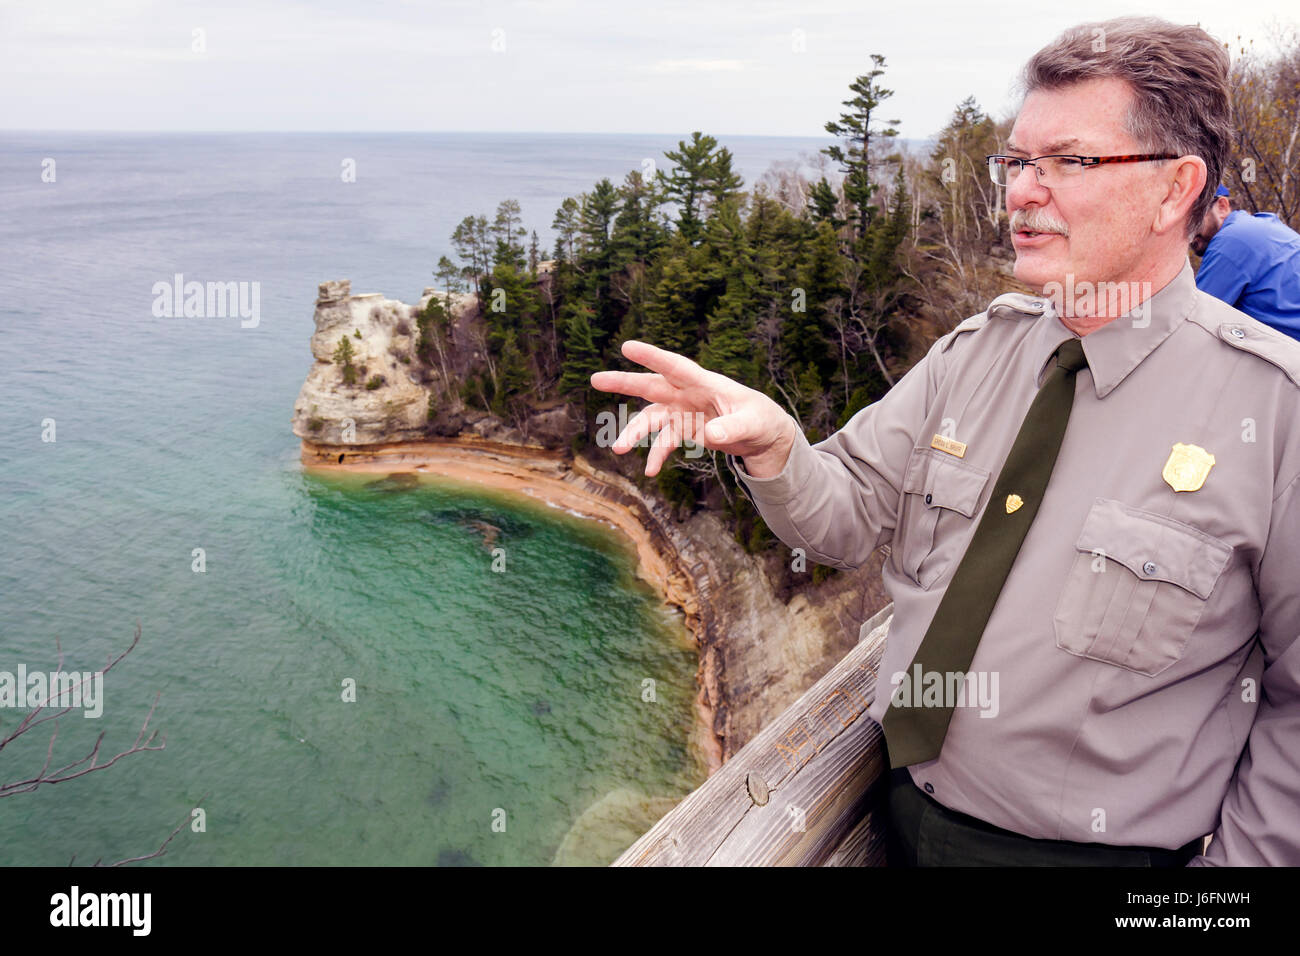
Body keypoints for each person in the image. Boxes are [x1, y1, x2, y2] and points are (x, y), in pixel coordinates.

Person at [590, 15, 1300, 867]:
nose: (1022, 192)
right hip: (896, 814)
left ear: (1174, 188)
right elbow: (843, 517)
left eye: (1068, 162)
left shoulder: (1274, 412)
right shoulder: (977, 353)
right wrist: (779, 449)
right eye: (1016, 161)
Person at [1192, 184, 1300, 340]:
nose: (1189, 231)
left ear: (1222, 207)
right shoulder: (1261, 226)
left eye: (1194, 217)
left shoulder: (1231, 239)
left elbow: (1193, 321)